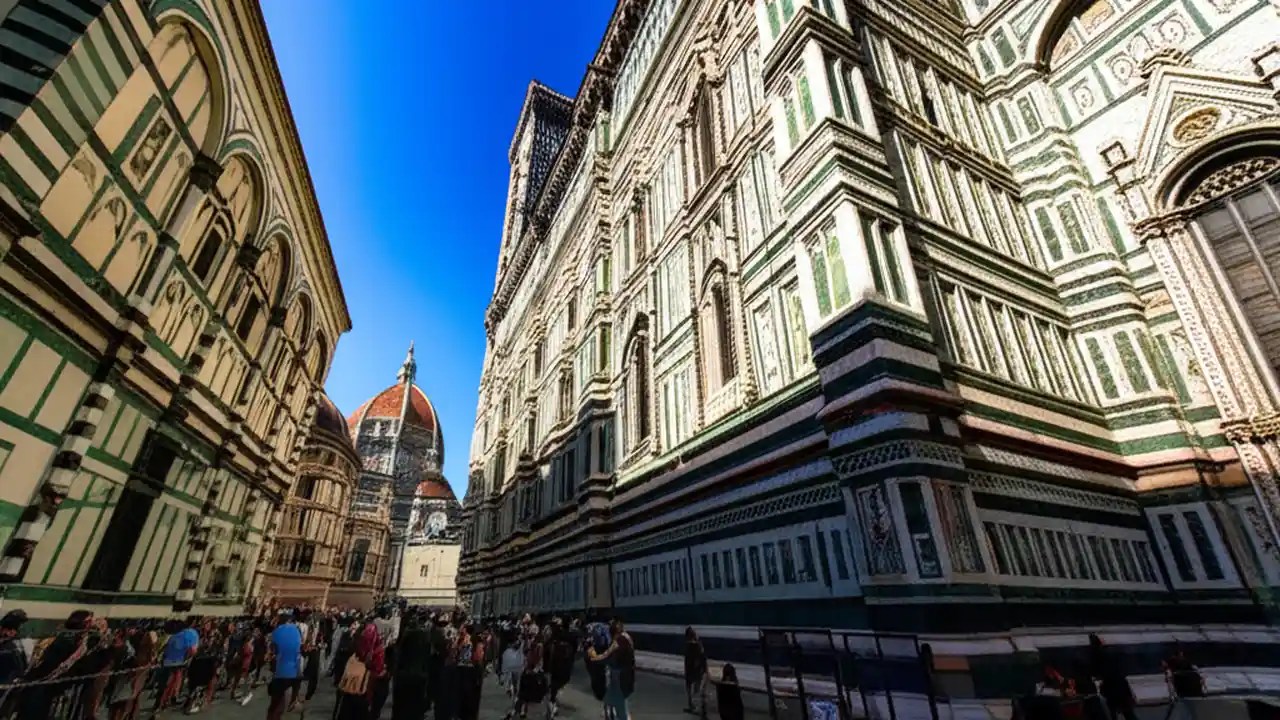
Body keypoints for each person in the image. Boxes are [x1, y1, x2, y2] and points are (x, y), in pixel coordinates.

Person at [588, 618, 634, 720]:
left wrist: (594, 658)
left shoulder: (619, 641)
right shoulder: (627, 637)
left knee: (620, 708)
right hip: (625, 675)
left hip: (619, 677)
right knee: (612, 701)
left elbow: (607, 656)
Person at [154, 617, 199, 713]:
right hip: (179, 662)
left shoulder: (172, 635)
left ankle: (160, 704)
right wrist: (188, 658)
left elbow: (163, 649)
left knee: (165, 684)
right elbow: (192, 650)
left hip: (166, 662)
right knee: (174, 681)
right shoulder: (191, 633)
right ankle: (169, 700)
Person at [392, 612, 431, 720]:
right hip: (418, 676)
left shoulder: (405, 637)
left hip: (404, 676)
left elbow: (399, 657)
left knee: (402, 708)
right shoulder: (424, 637)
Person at [1088, 634, 1137, 720]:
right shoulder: (1110, 653)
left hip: (1110, 687)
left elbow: (1096, 672)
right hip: (1120, 686)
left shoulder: (1095, 656)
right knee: (1128, 712)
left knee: (1112, 713)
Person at [267, 611, 304, 720]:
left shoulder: (276, 632)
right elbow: (299, 648)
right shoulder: (297, 630)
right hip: (295, 670)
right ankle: (293, 701)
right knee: (283, 702)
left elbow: (273, 651)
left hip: (281, 671)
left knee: (274, 705)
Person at [683, 626, 709, 716]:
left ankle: (695, 706)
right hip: (695, 669)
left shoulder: (692, 645)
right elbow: (702, 658)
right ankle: (698, 707)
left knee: (693, 688)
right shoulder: (697, 645)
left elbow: (699, 658)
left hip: (693, 669)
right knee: (697, 689)